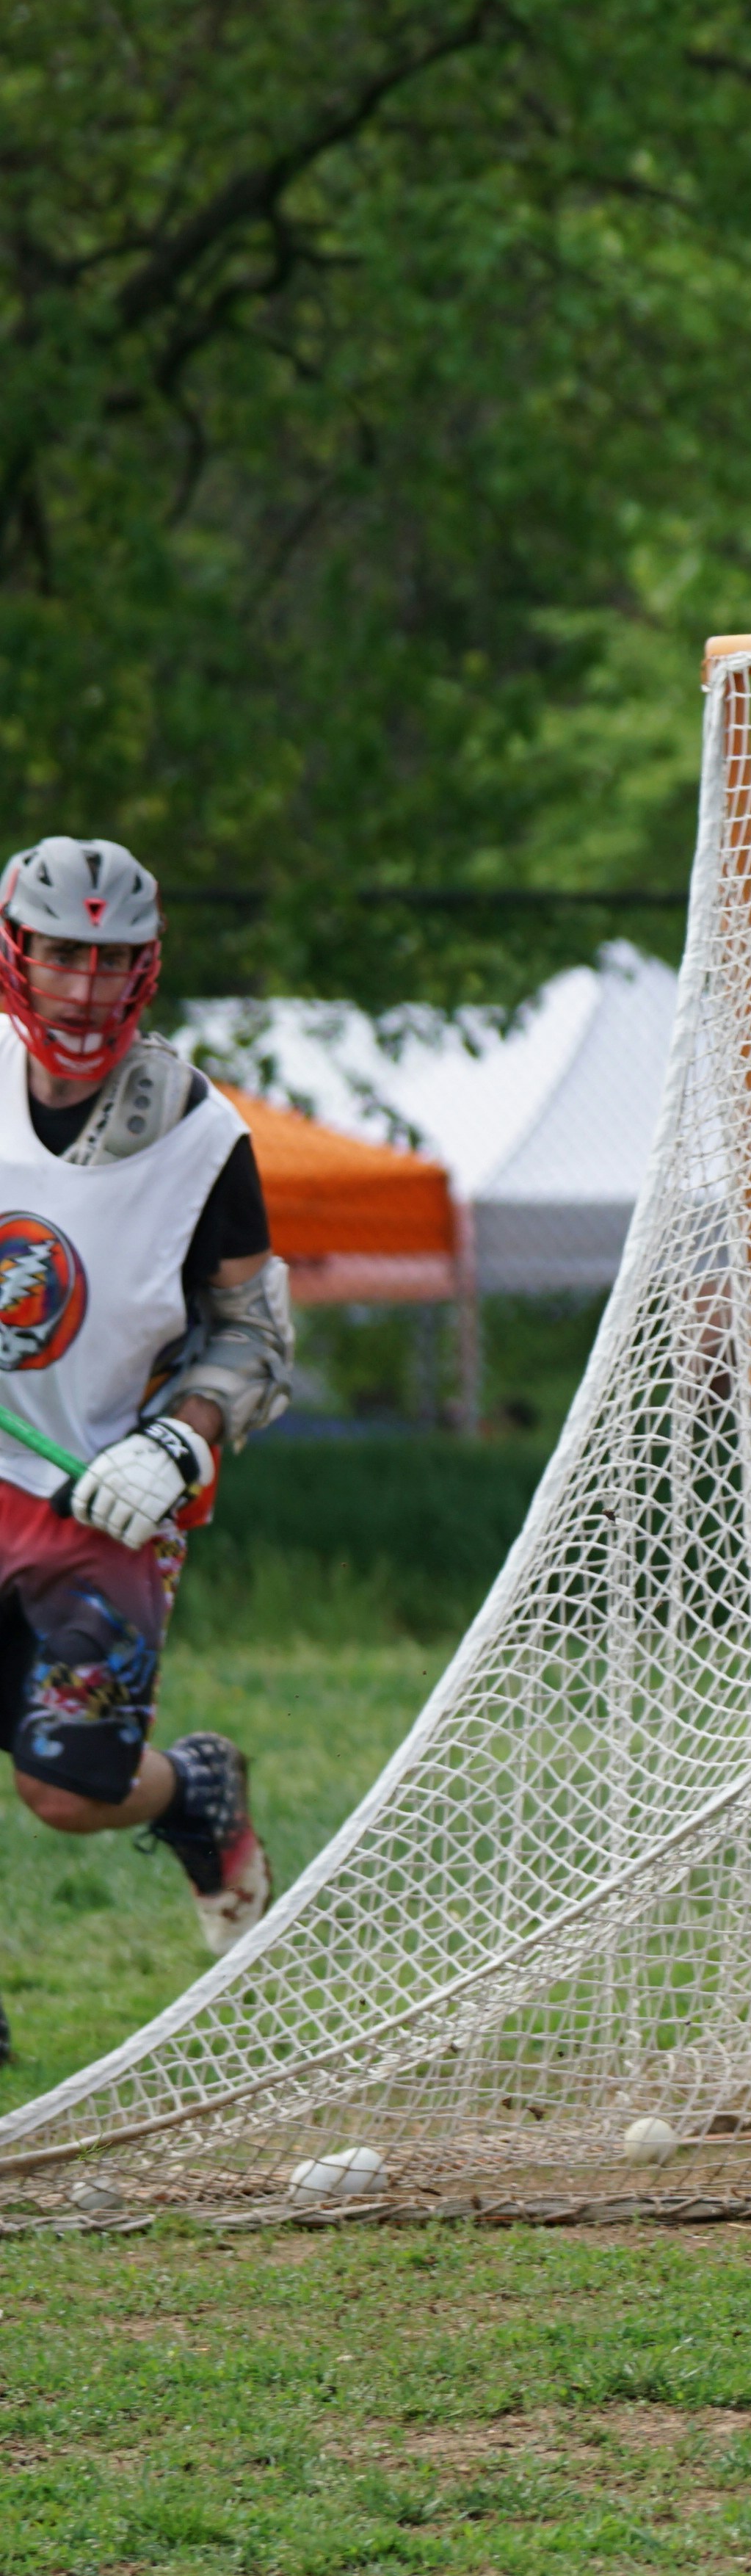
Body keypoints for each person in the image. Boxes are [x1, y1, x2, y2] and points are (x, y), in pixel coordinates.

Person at [0, 836, 282, 1955]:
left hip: (99, 1499)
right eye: (63, 954)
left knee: (66, 1789)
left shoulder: (197, 1135)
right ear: (18, 952)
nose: (86, 987)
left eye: (113, 961)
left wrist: (176, 1447)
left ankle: (195, 1793)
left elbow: (254, 1335)